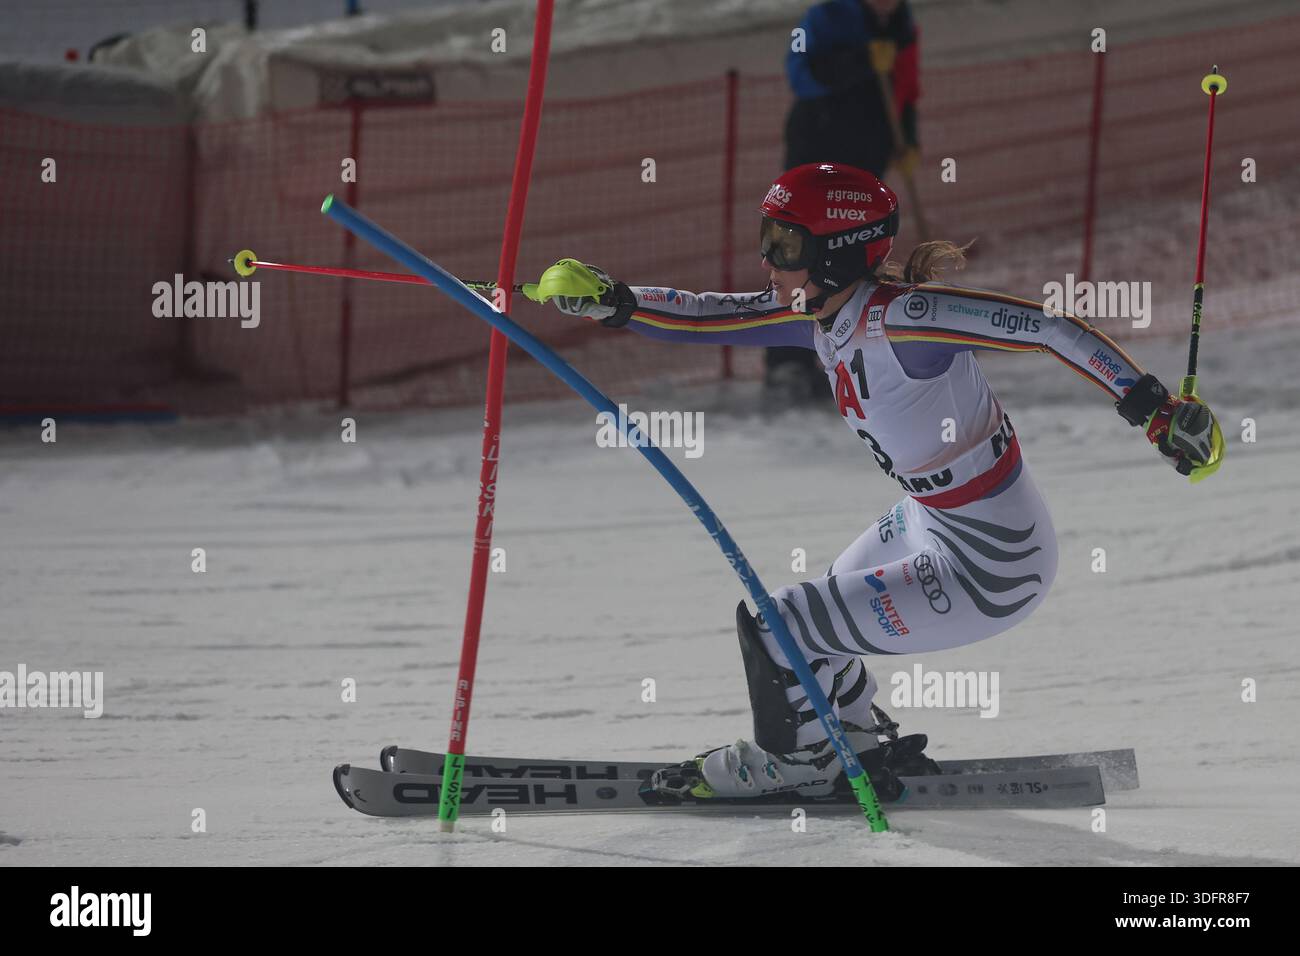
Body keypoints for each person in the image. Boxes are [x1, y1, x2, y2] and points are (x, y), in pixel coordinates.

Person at [546, 162, 1223, 802]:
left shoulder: (904, 320)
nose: (767, 262)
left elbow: (1046, 329)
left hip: (992, 563)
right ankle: (857, 744)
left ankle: (798, 762)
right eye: (768, 240)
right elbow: (704, 316)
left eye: (785, 245)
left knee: (775, 624)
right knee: (819, 622)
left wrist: (1155, 409)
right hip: (932, 520)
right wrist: (614, 301)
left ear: (837, 251)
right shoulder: (822, 316)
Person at [768, 0, 922, 409]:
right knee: (800, 250)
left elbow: (904, 87)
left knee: (853, 254)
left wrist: (908, 137)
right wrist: (860, 61)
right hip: (817, 147)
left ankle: (854, 349)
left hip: (866, 152)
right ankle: (790, 359)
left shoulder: (904, 26)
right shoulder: (826, 17)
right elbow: (802, 76)